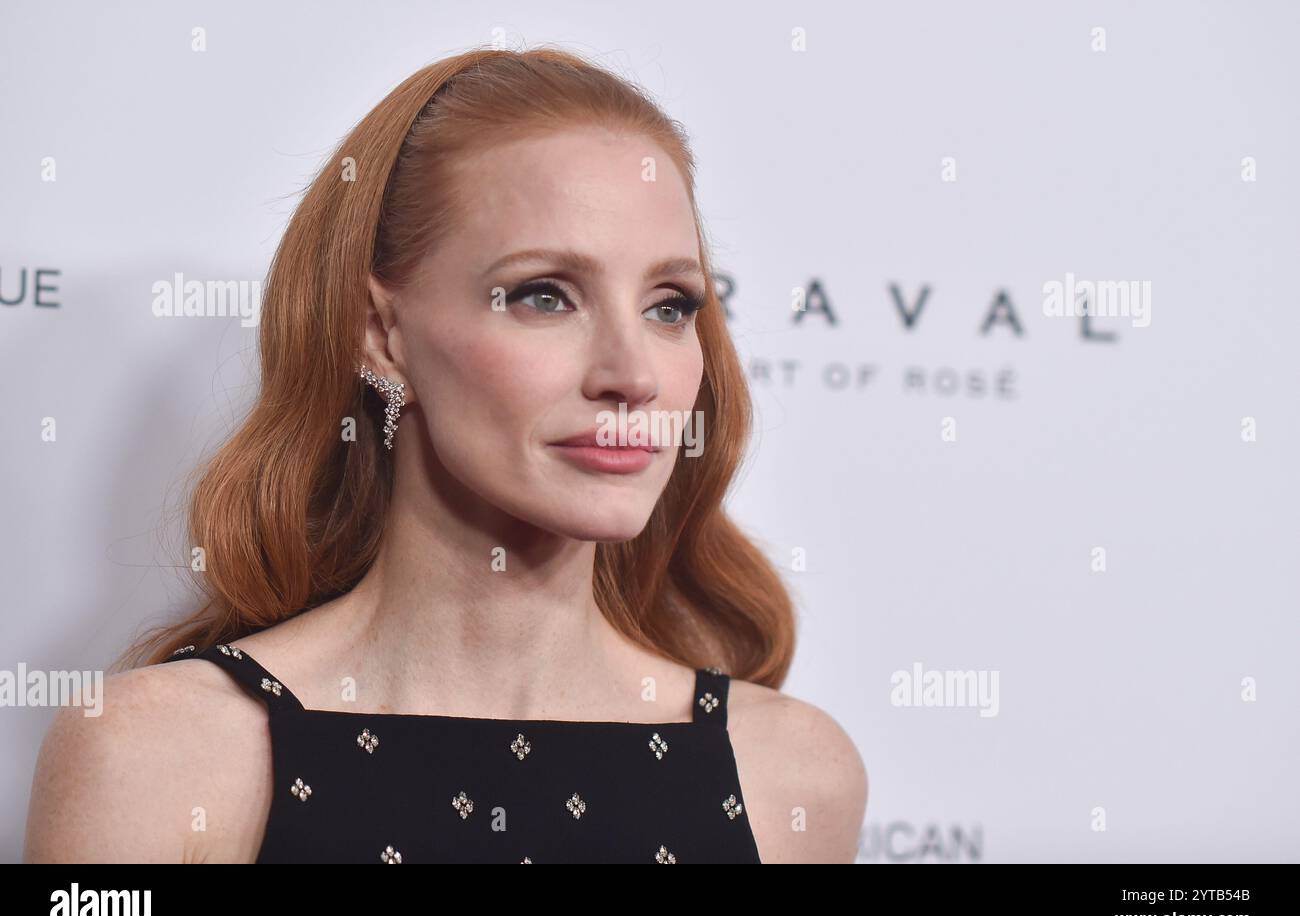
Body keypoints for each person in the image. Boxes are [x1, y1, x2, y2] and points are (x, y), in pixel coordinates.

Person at [24, 46, 866, 863]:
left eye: (670, 305)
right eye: (546, 295)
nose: (634, 375)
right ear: (380, 335)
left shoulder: (789, 776)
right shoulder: (159, 759)